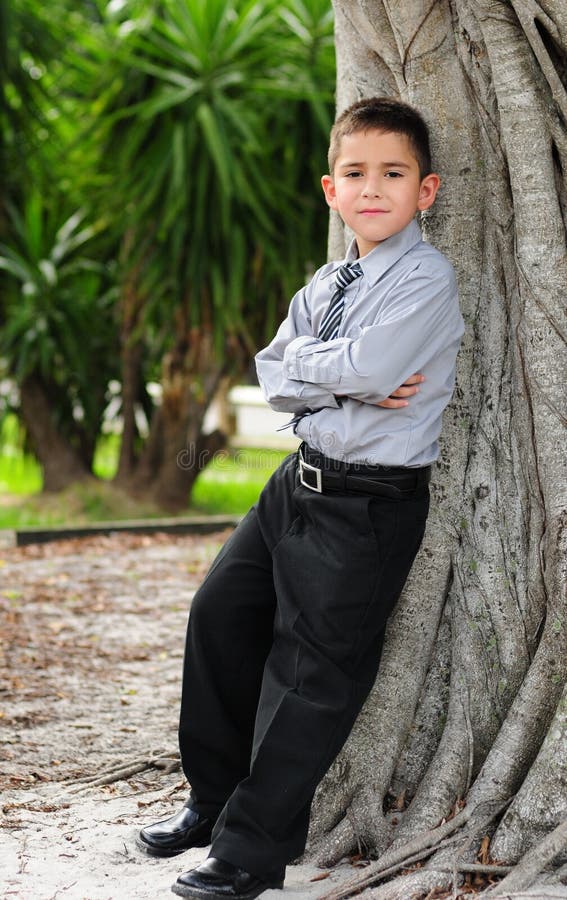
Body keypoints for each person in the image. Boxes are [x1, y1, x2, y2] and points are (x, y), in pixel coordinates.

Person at [137, 97, 465, 900]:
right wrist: (336, 381)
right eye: (356, 174)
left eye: (393, 173)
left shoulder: (426, 278)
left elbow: (369, 369)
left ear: (424, 191)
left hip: (368, 503)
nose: (372, 188)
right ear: (330, 189)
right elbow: (271, 370)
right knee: (219, 615)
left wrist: (323, 377)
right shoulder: (328, 281)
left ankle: (249, 853)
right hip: (294, 486)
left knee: (310, 674)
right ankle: (211, 805)